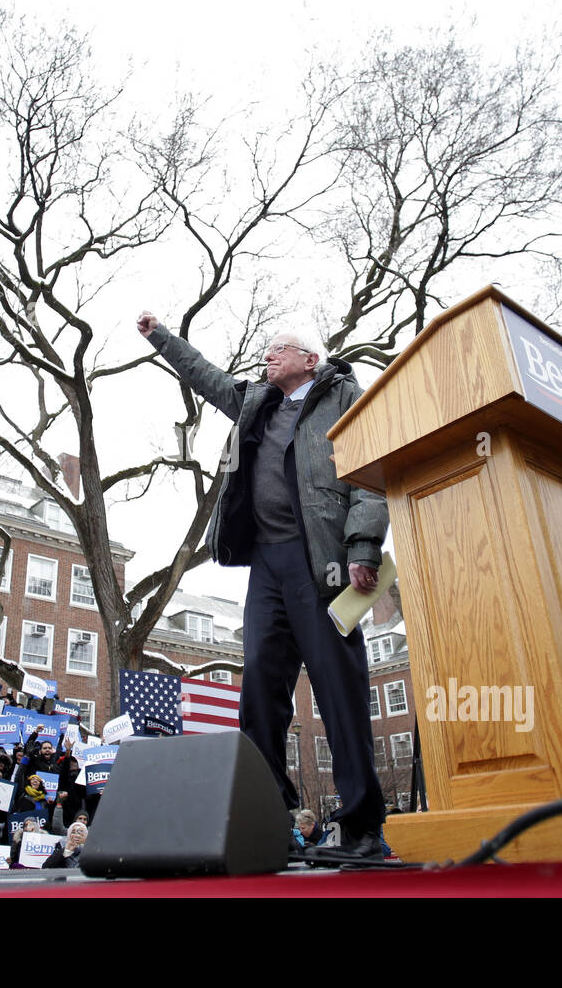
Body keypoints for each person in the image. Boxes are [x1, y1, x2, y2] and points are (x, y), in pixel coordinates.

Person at [137, 311, 389, 858]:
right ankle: (272, 822)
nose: (267, 355)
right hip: (267, 568)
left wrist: (364, 547)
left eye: (280, 349)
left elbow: (370, 474)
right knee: (259, 695)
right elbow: (204, 374)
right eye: (266, 350)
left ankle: (363, 830)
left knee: (338, 691)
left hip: (320, 562)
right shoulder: (255, 402)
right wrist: (161, 336)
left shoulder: (345, 398)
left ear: (309, 360)